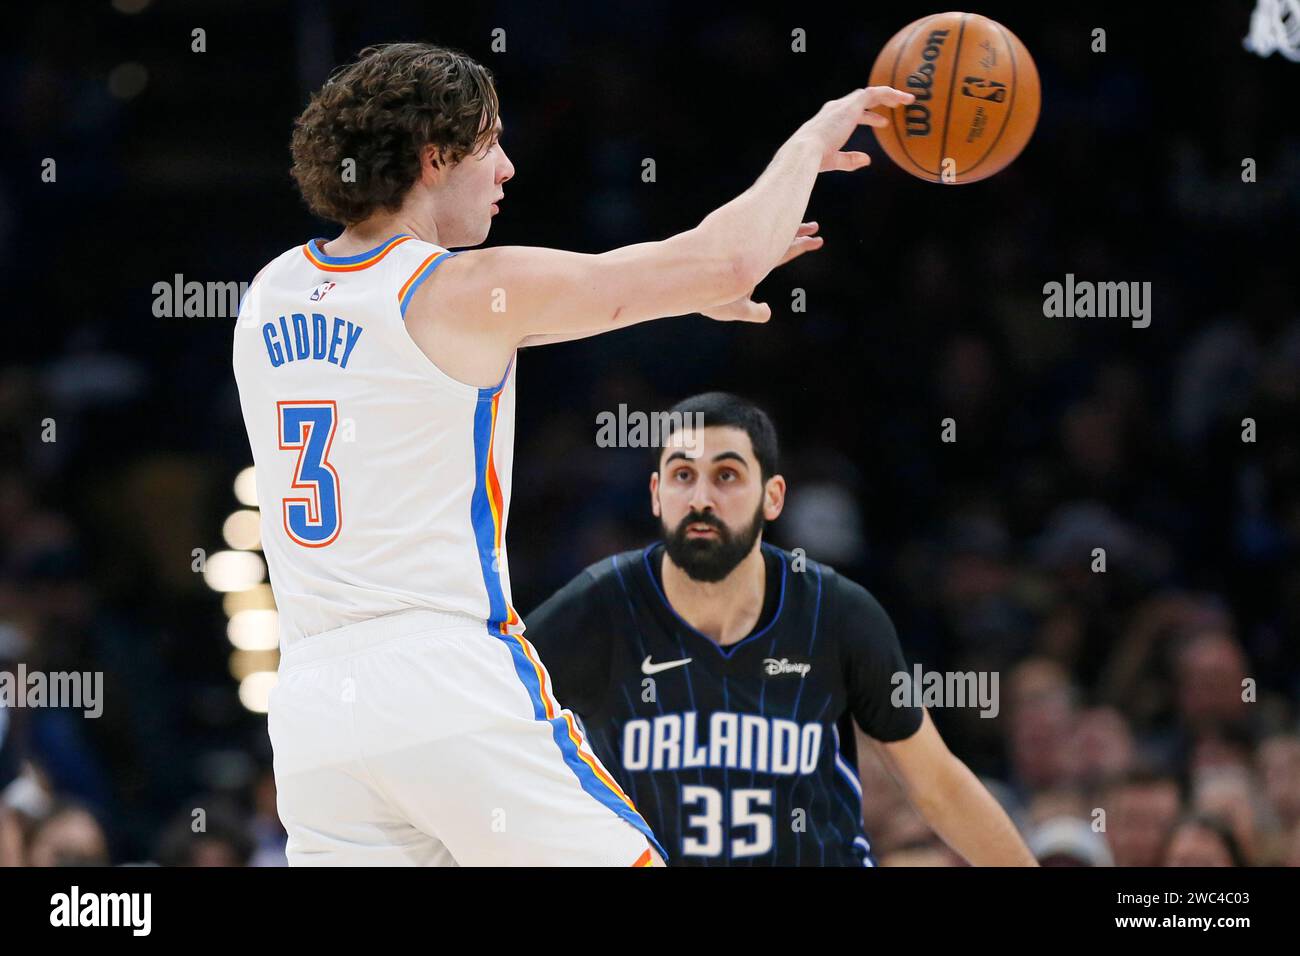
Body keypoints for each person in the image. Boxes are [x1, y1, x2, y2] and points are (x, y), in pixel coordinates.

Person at [231, 41, 914, 865]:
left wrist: (684, 289)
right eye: (490, 144)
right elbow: (726, 256)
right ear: (433, 156)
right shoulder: (457, 291)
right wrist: (810, 141)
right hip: (439, 676)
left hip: (312, 709)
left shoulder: (268, 294)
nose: (509, 168)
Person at [524, 393, 1037, 865]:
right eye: (683, 476)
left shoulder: (837, 613)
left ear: (773, 496)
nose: (701, 497)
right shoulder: (601, 604)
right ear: (657, 495)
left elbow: (938, 786)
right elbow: (487, 725)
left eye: (727, 476)